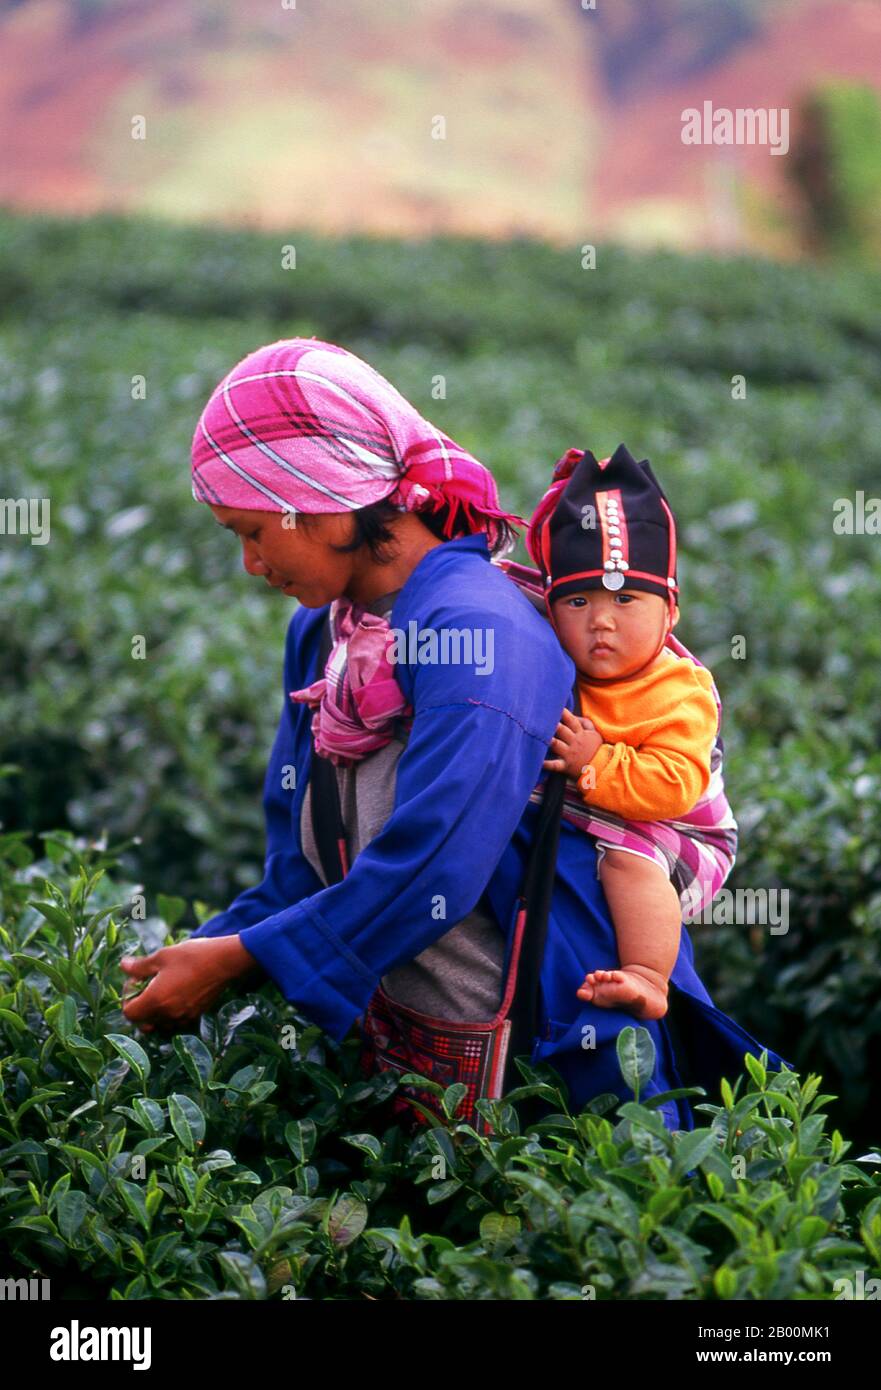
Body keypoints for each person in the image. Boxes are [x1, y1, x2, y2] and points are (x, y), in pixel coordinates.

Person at [120, 337, 791, 1132]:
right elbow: (295, 867)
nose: (248, 563)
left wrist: (243, 960)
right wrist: (203, 953)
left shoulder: (476, 632)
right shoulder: (327, 637)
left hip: (563, 1049)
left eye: (253, 529)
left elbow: (436, 862)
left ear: (325, 501)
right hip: (408, 1053)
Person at [525, 444, 738, 1024]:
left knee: (627, 859)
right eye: (577, 600)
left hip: (679, 832)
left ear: (670, 611)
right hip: (616, 803)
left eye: (626, 599)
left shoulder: (680, 691)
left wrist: (596, 763)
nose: (601, 620)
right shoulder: (556, 658)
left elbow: (673, 787)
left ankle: (648, 975)